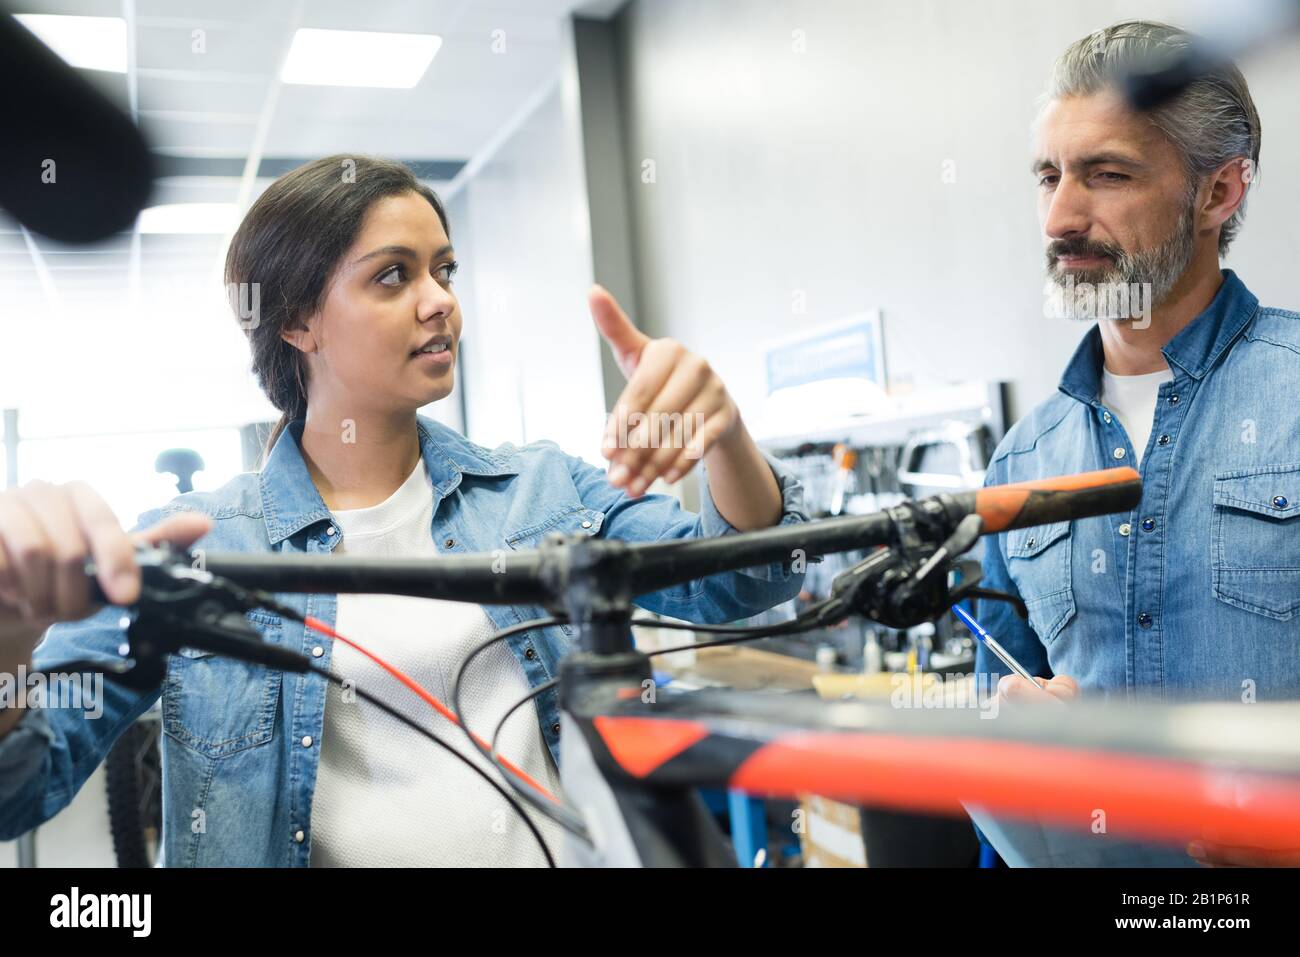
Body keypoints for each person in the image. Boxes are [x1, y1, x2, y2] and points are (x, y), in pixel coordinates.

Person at [0, 155, 808, 866]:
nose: (440, 303)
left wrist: (724, 433)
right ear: (296, 320)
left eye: (445, 271)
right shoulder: (196, 548)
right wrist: (9, 644)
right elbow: (19, 791)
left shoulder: (540, 491)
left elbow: (750, 579)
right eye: (394, 275)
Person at [973, 20, 1299, 867]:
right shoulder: (1021, 463)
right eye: (1047, 177)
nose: (1059, 217)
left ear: (1219, 194)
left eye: (1106, 175)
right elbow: (983, 745)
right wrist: (1014, 754)